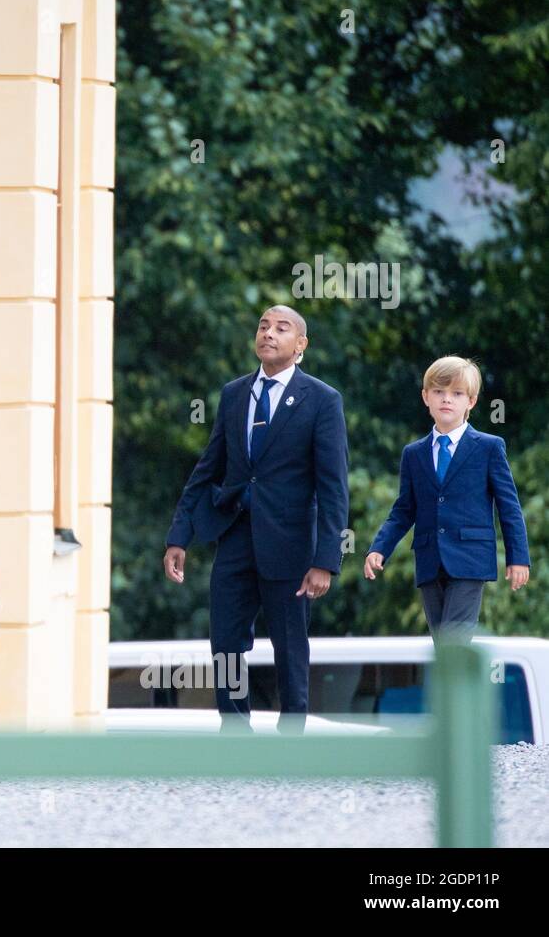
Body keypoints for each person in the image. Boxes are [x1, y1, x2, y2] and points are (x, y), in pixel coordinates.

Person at [162, 305, 349, 732]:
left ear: (300, 345)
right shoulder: (233, 394)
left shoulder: (322, 400)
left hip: (292, 544)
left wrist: (326, 560)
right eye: (263, 325)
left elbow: (334, 487)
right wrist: (179, 536)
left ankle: (291, 735)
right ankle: (235, 733)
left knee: (289, 645)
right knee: (225, 640)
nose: (269, 333)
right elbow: (207, 469)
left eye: (282, 328)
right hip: (234, 535)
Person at [364, 356, 530, 643]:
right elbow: (403, 510)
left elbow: (509, 508)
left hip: (470, 558)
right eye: (439, 392)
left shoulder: (488, 447)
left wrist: (518, 558)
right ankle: (451, 689)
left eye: (456, 394)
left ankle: (454, 689)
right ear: (425, 397)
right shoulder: (413, 453)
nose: (446, 400)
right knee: (443, 645)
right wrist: (380, 547)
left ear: (471, 402)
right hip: (429, 559)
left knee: (454, 641)